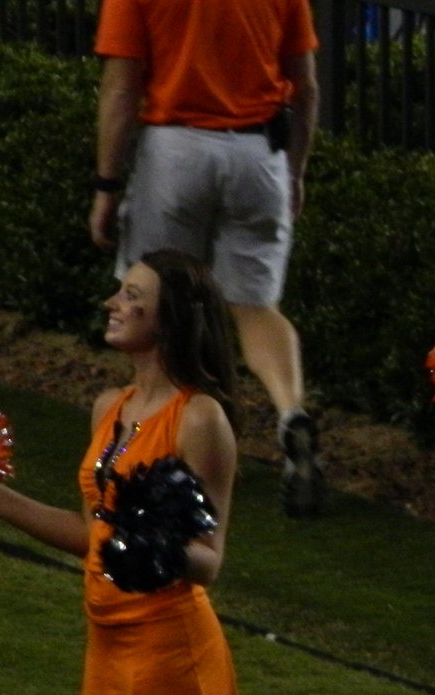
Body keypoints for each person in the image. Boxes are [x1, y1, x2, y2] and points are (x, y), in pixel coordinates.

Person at [0, 249, 242, 695]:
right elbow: (90, 533)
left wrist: (153, 543)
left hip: (168, 649)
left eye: (131, 295)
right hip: (108, 644)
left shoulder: (199, 419)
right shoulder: (109, 408)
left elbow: (208, 560)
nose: (112, 304)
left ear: (169, 318)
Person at [89, 0, 324, 517]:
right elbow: (305, 85)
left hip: (175, 151)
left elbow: (121, 88)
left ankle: (172, 437)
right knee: (256, 307)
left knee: (156, 304)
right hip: (259, 154)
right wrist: (296, 171)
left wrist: (106, 184)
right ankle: (291, 413)